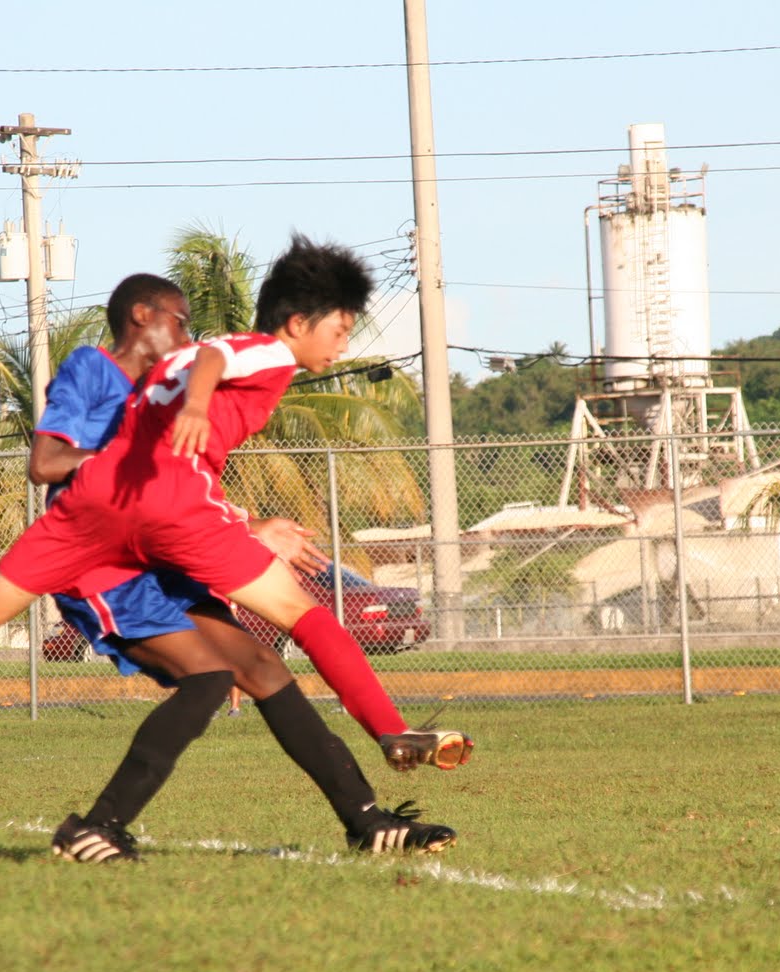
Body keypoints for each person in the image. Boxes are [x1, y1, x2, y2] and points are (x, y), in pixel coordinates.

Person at [0, 236, 473, 853]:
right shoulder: (263, 351)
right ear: (298, 323)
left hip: (99, 501)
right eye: (340, 327)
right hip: (172, 503)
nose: (343, 341)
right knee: (305, 615)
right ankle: (389, 728)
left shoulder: (178, 358)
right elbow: (211, 363)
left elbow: (179, 378)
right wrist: (197, 415)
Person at [28, 273, 458, 860]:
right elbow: (54, 465)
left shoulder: (160, 392)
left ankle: (366, 819)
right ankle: (95, 825)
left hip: (153, 553)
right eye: (178, 322)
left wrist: (246, 526)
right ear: (140, 317)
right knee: (210, 678)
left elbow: (171, 493)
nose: (187, 336)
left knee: (261, 665)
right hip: (105, 561)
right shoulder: (98, 373)